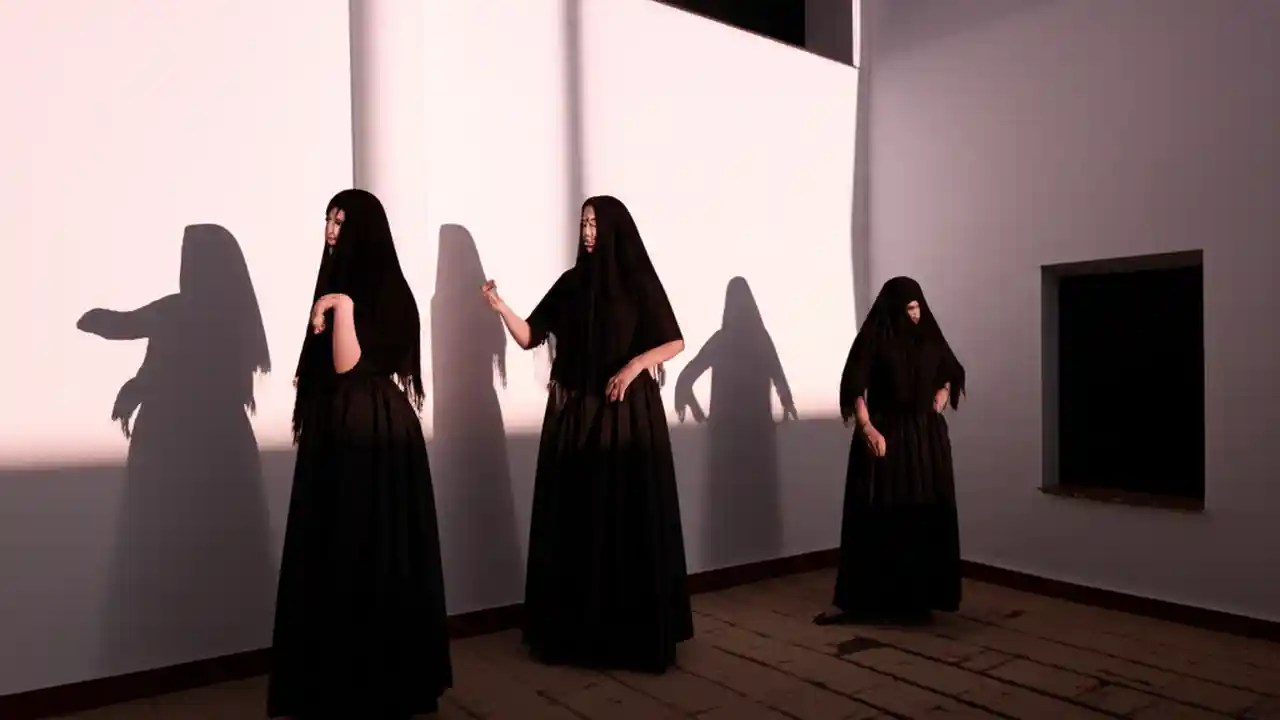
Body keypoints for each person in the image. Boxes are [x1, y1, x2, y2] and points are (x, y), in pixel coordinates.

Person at [482, 195, 693, 672]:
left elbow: (674, 341)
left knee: (623, 518)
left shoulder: (637, 282)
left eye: (596, 223)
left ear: (615, 228)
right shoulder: (572, 283)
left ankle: (628, 634)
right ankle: (577, 632)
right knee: (578, 520)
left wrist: (635, 365)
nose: (588, 231)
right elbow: (531, 334)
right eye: (584, 223)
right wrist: (500, 306)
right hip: (576, 415)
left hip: (625, 415)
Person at [268, 189, 452, 718]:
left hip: (374, 434)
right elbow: (322, 371)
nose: (331, 230)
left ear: (363, 228)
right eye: (328, 218)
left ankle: (381, 679)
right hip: (338, 430)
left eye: (341, 221)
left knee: (371, 545)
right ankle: (334, 676)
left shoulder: (386, 292)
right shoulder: (333, 285)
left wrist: (339, 304)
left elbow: (350, 363)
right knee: (335, 546)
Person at [816, 276, 965, 626]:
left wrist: (941, 395)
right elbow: (854, 383)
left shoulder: (928, 334)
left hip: (926, 440)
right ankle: (859, 600)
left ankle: (917, 598)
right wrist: (866, 427)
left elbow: (951, 370)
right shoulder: (875, 336)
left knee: (921, 517)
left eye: (918, 307)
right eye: (909, 309)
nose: (915, 315)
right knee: (877, 516)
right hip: (887, 436)